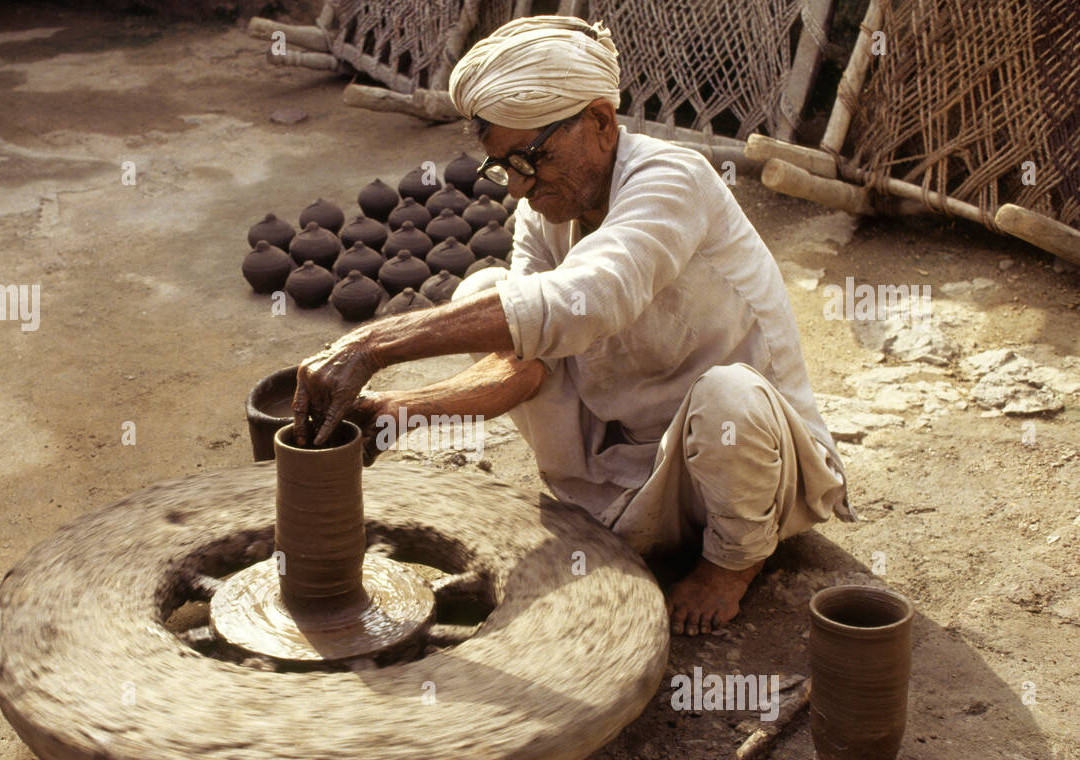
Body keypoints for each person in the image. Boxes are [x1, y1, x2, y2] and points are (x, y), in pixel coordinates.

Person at [292, 15, 856, 636]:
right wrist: (396, 412)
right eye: (503, 166)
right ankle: (622, 521)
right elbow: (524, 360)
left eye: (532, 158)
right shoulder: (547, 210)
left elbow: (590, 297)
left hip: (753, 464)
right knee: (492, 294)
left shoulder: (674, 180)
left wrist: (372, 343)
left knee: (731, 396)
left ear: (601, 122)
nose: (518, 187)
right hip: (637, 466)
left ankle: (734, 562)